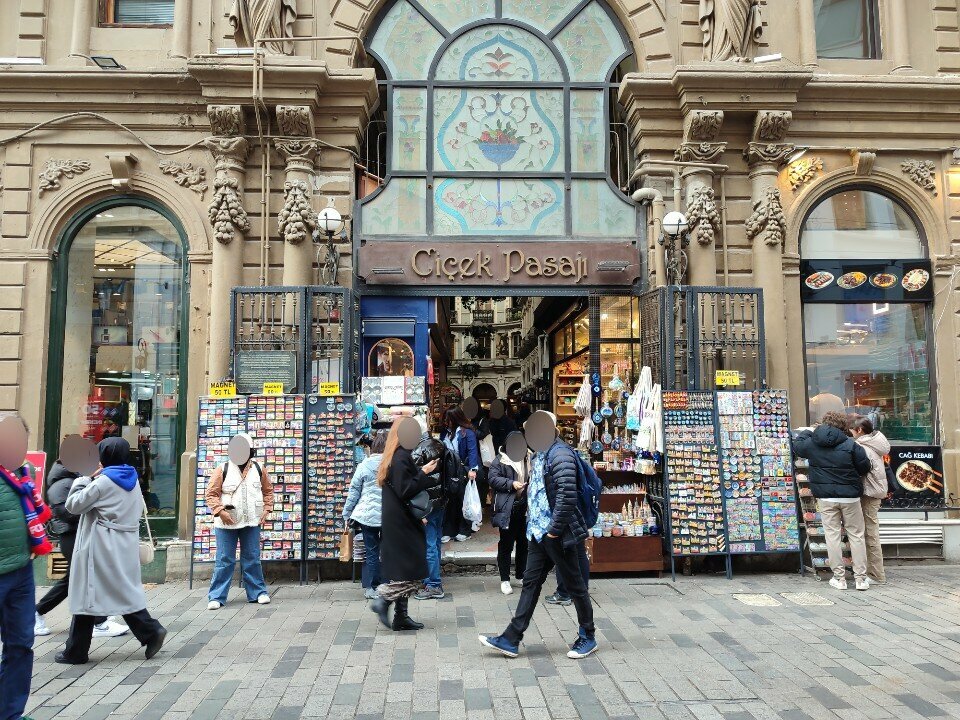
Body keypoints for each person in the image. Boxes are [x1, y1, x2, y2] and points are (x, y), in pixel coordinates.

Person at [479, 413, 597, 660]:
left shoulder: (560, 454)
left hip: (558, 533)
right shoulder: (542, 453)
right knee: (531, 584)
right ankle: (511, 638)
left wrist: (554, 530)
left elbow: (566, 495)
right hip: (539, 533)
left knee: (575, 586)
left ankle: (588, 636)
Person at [57, 438, 167, 665]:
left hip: (99, 546)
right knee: (121, 591)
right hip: (123, 544)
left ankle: (76, 651)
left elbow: (73, 505)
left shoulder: (102, 482)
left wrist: (83, 479)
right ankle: (149, 630)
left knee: (87, 594)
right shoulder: (132, 478)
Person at [35, 459, 127, 638]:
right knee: (79, 578)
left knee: (79, 578)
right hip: (71, 536)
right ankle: (38, 612)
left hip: (79, 534)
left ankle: (98, 620)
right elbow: (67, 511)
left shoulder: (75, 478)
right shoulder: (62, 483)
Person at [0, 413, 51, 720]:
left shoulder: (24, 473)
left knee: (21, 644)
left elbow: (33, 513)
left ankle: (11, 713)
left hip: (20, 571)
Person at [369, 421, 439, 631]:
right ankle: (384, 598)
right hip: (402, 523)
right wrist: (424, 472)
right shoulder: (400, 457)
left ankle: (402, 616)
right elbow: (406, 489)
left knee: (403, 570)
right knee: (414, 569)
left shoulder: (395, 456)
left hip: (399, 520)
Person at [792, 412, 872, 592]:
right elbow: (864, 467)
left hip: (826, 497)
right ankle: (860, 579)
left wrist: (809, 431)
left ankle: (839, 578)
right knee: (856, 536)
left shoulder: (813, 443)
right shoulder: (851, 444)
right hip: (850, 496)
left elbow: (797, 446)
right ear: (843, 425)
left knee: (832, 536)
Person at [205, 433, 273, 609]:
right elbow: (211, 494)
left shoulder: (259, 468)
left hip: (251, 521)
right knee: (224, 558)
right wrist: (220, 511)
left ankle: (258, 592)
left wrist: (267, 509)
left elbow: (268, 491)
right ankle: (217, 596)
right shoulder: (223, 469)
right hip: (226, 523)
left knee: (252, 557)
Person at [343, 430, 386, 600]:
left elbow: (354, 491)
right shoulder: (393, 464)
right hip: (389, 515)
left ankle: (372, 587)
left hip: (367, 516)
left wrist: (347, 514)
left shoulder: (364, 465)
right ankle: (388, 584)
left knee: (372, 551)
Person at [851, 415, 891, 585]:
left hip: (869, 493)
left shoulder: (862, 446)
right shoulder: (874, 443)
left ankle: (875, 574)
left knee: (870, 533)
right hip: (875, 492)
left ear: (859, 430)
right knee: (869, 531)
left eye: (851, 430)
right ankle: (873, 571)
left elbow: (863, 470)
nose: (850, 434)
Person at [413, 419, 450, 600]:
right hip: (440, 501)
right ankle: (433, 579)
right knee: (434, 542)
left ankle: (433, 584)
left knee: (429, 544)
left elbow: (412, 479)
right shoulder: (439, 444)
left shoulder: (419, 450)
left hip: (426, 504)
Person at [488, 432, 529, 595]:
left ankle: (521, 575)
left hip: (525, 508)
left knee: (524, 544)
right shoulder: (500, 460)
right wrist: (511, 483)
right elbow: (492, 479)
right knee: (506, 544)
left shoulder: (528, 458)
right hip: (507, 508)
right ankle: (504, 579)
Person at [440, 407, 480, 542]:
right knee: (450, 500)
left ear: (455, 419)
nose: (446, 421)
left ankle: (465, 529)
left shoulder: (467, 433)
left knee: (464, 499)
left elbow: (472, 451)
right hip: (448, 469)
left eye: (448, 419)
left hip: (463, 468)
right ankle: (449, 530)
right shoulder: (445, 433)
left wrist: (473, 469)